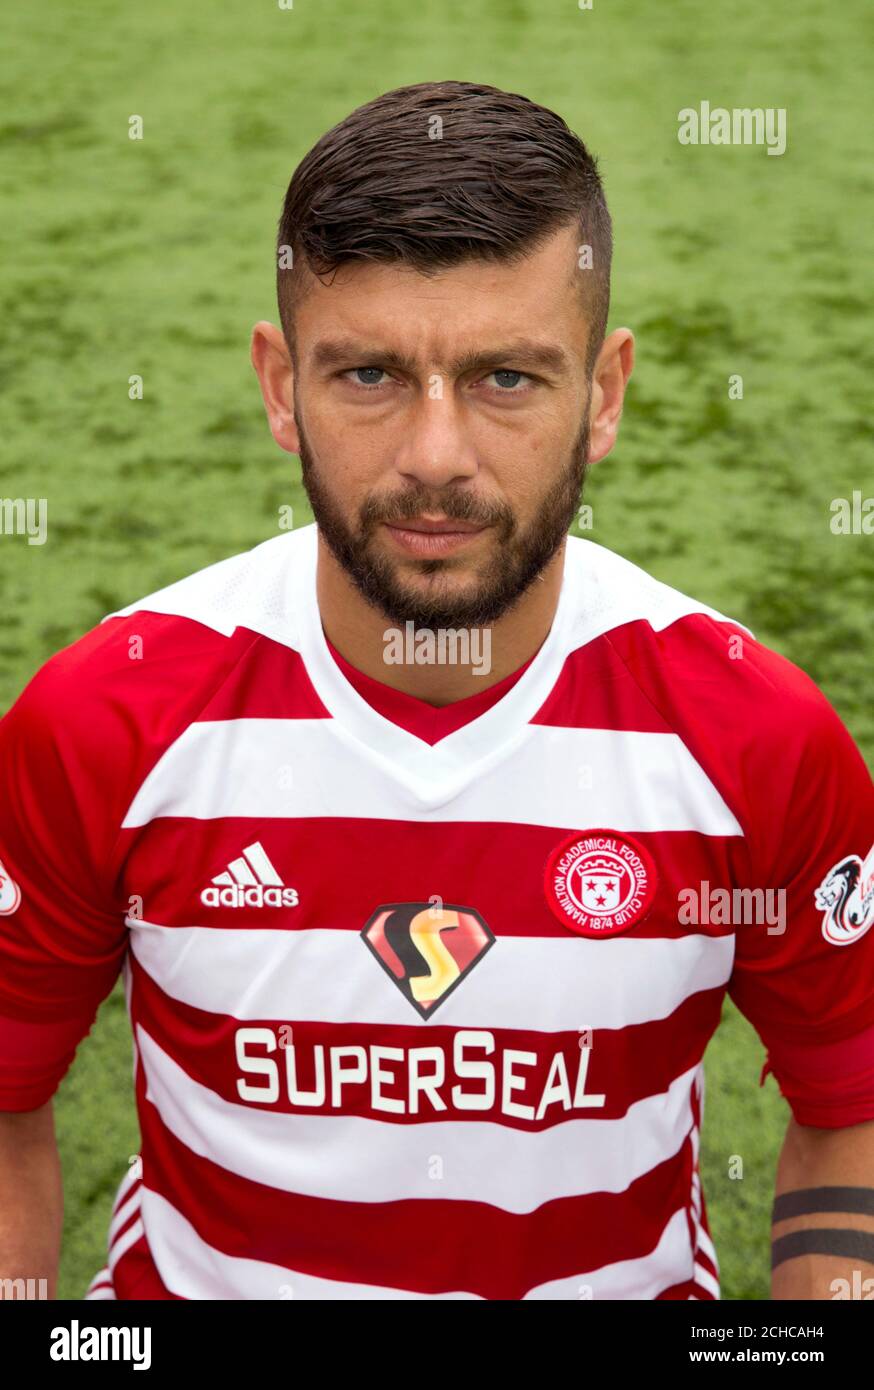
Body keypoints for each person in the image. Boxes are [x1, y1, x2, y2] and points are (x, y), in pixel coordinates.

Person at [0, 80, 872, 1302]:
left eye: (507, 379)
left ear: (605, 393)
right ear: (276, 384)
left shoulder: (754, 740)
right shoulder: (106, 718)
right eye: (366, 375)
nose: (434, 457)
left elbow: (852, 1110)